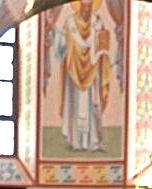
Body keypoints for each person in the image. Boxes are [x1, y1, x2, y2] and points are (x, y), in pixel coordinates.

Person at [52, 0, 114, 152]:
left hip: (92, 73)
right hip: (74, 74)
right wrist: (56, 35)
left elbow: (103, 44)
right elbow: (62, 47)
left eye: (89, 7)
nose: (86, 10)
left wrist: (102, 49)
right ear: (79, 7)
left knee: (93, 106)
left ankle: (93, 141)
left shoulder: (97, 22)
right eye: (84, 7)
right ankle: (77, 142)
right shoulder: (70, 23)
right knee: (76, 106)